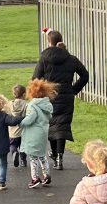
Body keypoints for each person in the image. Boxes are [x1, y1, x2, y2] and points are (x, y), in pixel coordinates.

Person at [33, 28, 89, 170]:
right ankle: (59, 157)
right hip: (66, 96)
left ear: (49, 41)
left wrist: (40, 92)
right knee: (62, 125)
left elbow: (35, 78)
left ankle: (53, 153)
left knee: (50, 124)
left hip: (49, 96)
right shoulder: (71, 59)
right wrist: (73, 89)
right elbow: (85, 75)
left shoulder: (44, 58)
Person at [20, 79, 56, 189]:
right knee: (41, 155)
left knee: (32, 157)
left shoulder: (32, 106)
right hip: (43, 134)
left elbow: (30, 119)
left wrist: (20, 122)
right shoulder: (47, 105)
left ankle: (35, 178)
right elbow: (49, 118)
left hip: (33, 135)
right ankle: (46, 175)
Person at [8, 84, 27, 168]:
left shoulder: (9, 104)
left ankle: (14, 152)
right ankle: (23, 161)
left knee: (12, 145)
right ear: (23, 94)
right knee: (23, 146)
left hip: (12, 131)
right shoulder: (26, 104)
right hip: (23, 131)